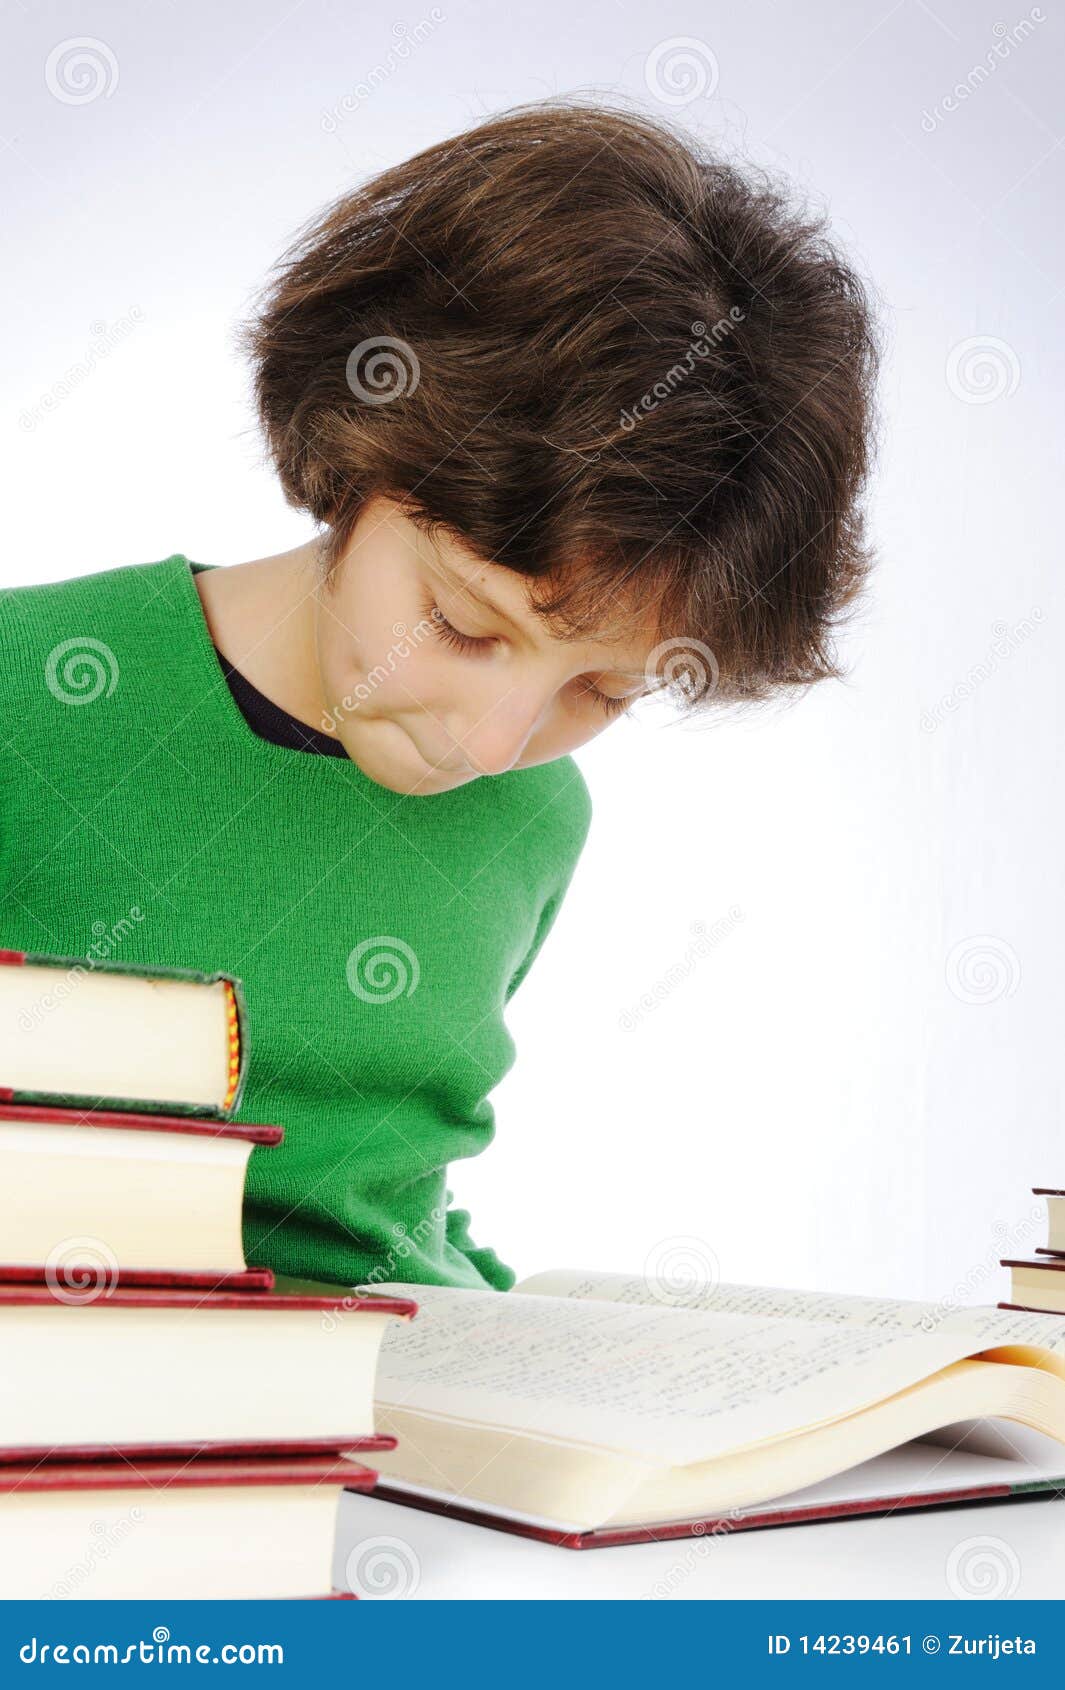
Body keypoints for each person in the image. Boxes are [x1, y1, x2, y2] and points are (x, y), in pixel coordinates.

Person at [0, 98, 882, 1290]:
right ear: (354, 450)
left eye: (608, 692)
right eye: (469, 623)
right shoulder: (30, 691)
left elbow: (394, 1212)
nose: (497, 739)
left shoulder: (539, 819)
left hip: (401, 1427)